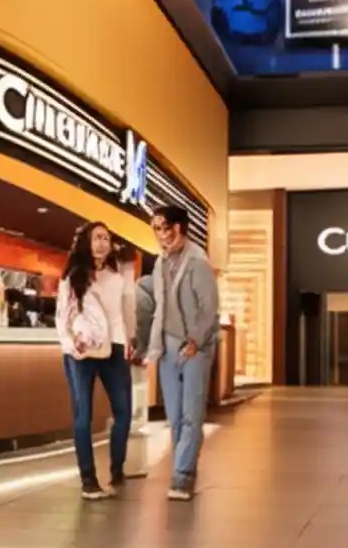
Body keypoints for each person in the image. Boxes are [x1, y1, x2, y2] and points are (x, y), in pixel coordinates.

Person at [56, 221, 137, 500]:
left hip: (114, 349)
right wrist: (72, 346)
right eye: (97, 237)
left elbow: (126, 315)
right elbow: (61, 320)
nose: (102, 242)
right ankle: (88, 479)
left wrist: (130, 341)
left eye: (106, 237)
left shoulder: (118, 278)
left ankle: (117, 468)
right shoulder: (72, 279)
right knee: (83, 416)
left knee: (124, 411)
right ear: (86, 243)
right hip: (82, 353)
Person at [145, 205, 219, 502]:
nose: (162, 235)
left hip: (194, 346)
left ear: (180, 228)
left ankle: (183, 475)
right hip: (167, 345)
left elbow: (209, 307)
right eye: (157, 229)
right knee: (174, 416)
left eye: (166, 228)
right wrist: (152, 346)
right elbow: (158, 306)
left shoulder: (198, 261)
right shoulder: (160, 263)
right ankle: (184, 466)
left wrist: (196, 340)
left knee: (191, 414)